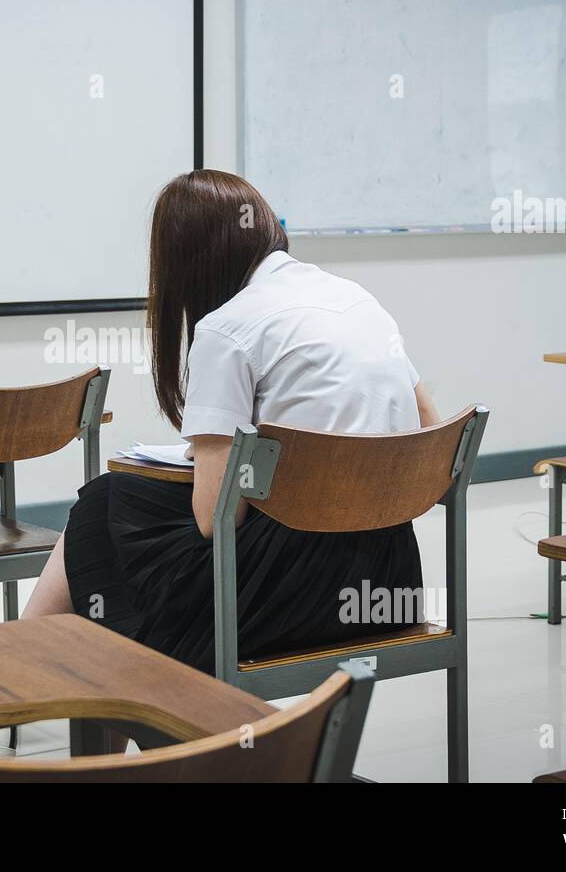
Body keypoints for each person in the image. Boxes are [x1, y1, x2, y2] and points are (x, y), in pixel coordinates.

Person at [22, 169, 440, 675]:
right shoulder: (357, 300)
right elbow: (428, 427)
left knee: (104, 505)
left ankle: (28, 666)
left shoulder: (228, 328)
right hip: (389, 579)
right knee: (114, 520)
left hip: (294, 594)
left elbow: (214, 518)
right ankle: (40, 666)